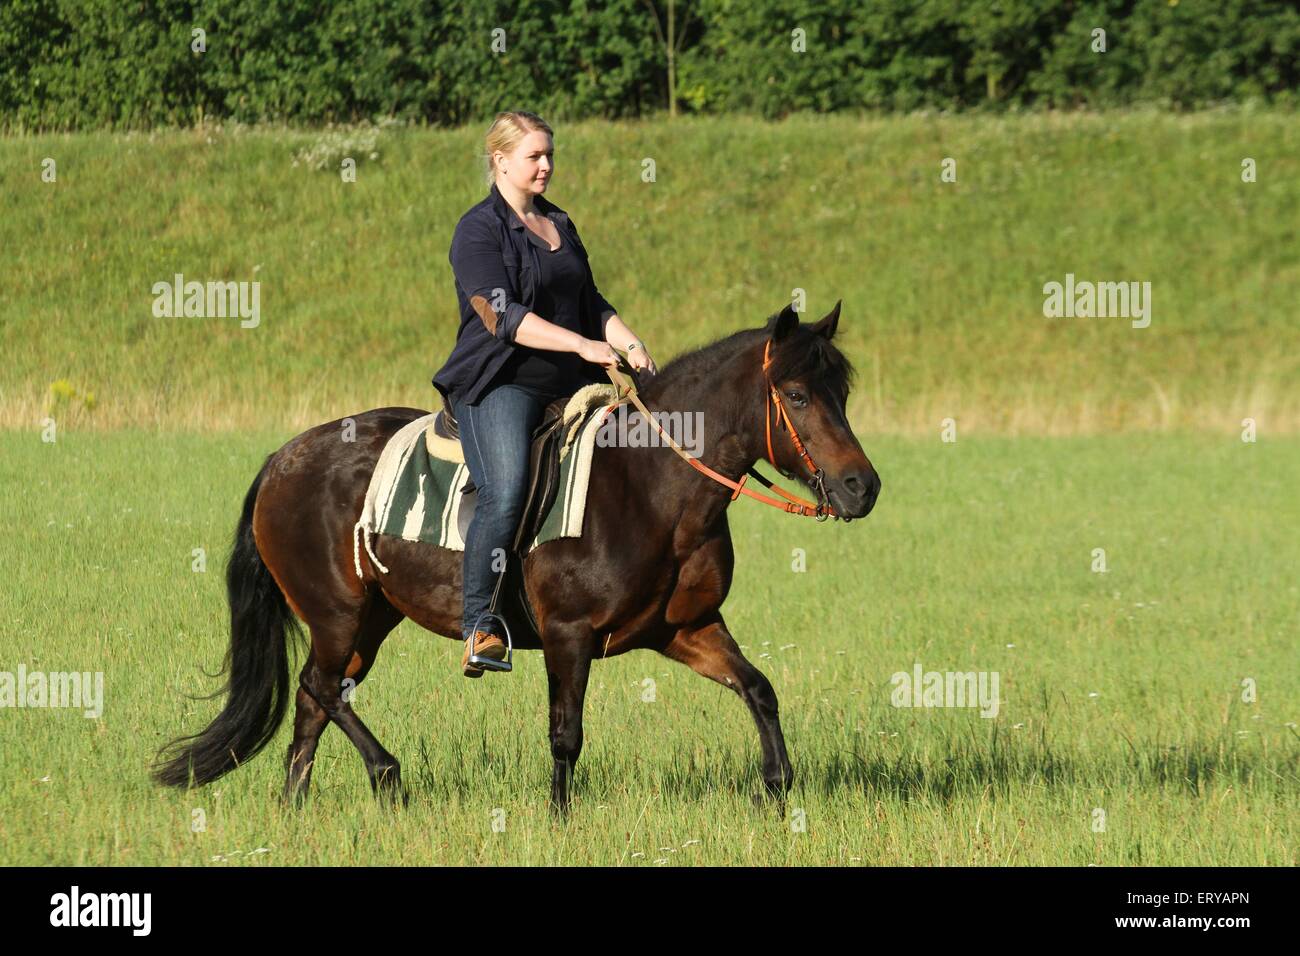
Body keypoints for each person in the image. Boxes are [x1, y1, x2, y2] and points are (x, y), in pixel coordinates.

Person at [432, 110, 658, 678]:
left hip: (572, 387)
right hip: (500, 381)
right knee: (505, 489)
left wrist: (626, 341)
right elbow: (503, 316)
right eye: (534, 156)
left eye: (550, 155)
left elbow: (591, 300)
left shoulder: (559, 222)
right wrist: (583, 346)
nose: (546, 166)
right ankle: (481, 624)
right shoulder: (477, 230)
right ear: (500, 160)